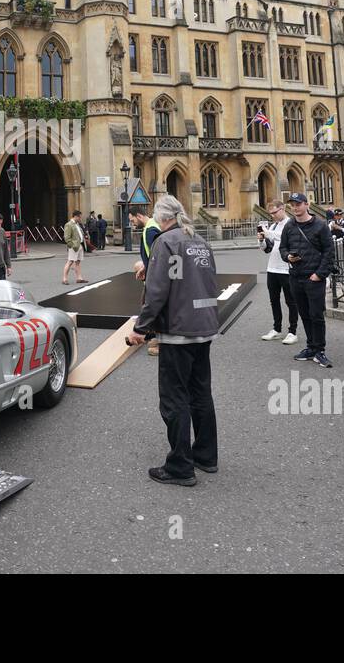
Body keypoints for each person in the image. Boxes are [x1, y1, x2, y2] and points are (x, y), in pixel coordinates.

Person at [125, 196, 220, 487]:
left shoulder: (165, 243)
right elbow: (202, 279)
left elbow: (157, 292)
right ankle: (205, 455)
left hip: (178, 331)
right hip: (204, 327)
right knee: (200, 393)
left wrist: (141, 328)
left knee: (174, 398)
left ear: (162, 218)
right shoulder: (199, 241)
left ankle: (180, 466)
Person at [278, 193, 334, 369]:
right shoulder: (289, 226)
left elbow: (329, 252)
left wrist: (319, 274)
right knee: (304, 314)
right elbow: (282, 248)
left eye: (298, 204)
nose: (295, 207)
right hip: (296, 277)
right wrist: (288, 257)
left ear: (306, 204)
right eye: (293, 205)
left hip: (313, 277)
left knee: (316, 315)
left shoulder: (320, 226)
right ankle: (311, 347)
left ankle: (320, 350)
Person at [258, 199, 298, 345]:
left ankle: (292, 331)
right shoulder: (274, 226)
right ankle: (277, 329)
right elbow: (267, 248)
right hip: (272, 268)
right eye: (271, 213)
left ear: (282, 209)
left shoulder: (291, 224)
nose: (273, 216)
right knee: (274, 300)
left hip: (287, 268)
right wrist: (262, 240)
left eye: (274, 212)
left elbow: (285, 238)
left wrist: (268, 233)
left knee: (290, 301)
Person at [130, 206, 163, 354]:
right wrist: (144, 267)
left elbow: (158, 256)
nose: (132, 223)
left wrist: (149, 270)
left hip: (155, 277)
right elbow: (153, 256)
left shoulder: (150, 230)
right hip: (152, 274)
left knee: (151, 305)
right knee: (146, 303)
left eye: (132, 220)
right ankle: (152, 335)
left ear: (139, 216)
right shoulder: (151, 226)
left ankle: (158, 340)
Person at [62, 210, 86, 285]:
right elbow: (67, 237)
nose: (80, 219)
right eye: (79, 217)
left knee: (78, 262)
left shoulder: (77, 224)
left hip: (80, 245)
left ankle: (79, 278)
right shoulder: (69, 224)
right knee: (70, 262)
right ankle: (64, 279)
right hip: (74, 246)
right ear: (76, 216)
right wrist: (72, 245)